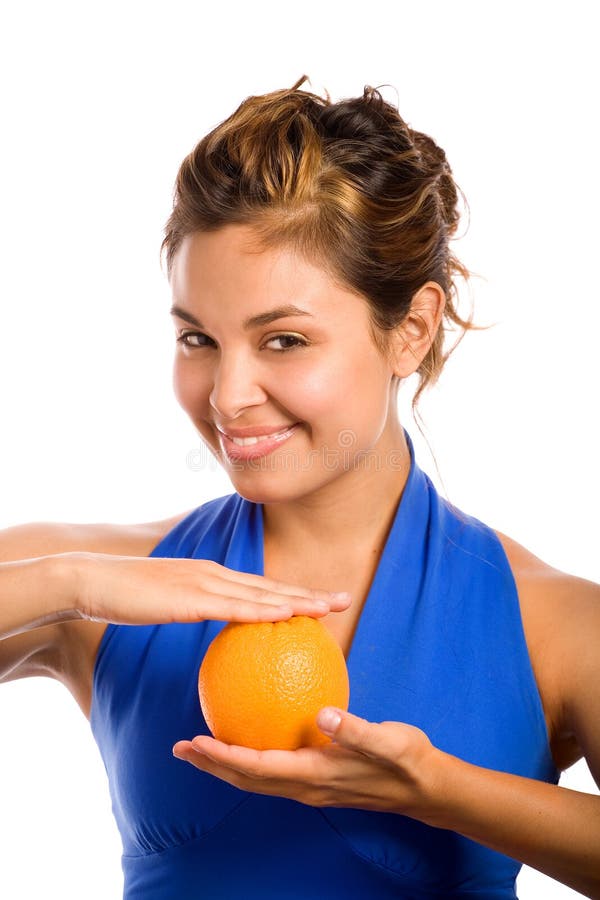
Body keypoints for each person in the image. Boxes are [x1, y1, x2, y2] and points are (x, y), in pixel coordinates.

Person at [1, 75, 599, 899]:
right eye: (198, 338)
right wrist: (68, 582)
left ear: (412, 330)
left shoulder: (552, 622)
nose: (226, 394)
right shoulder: (104, 584)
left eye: (282, 339)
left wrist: (443, 791)